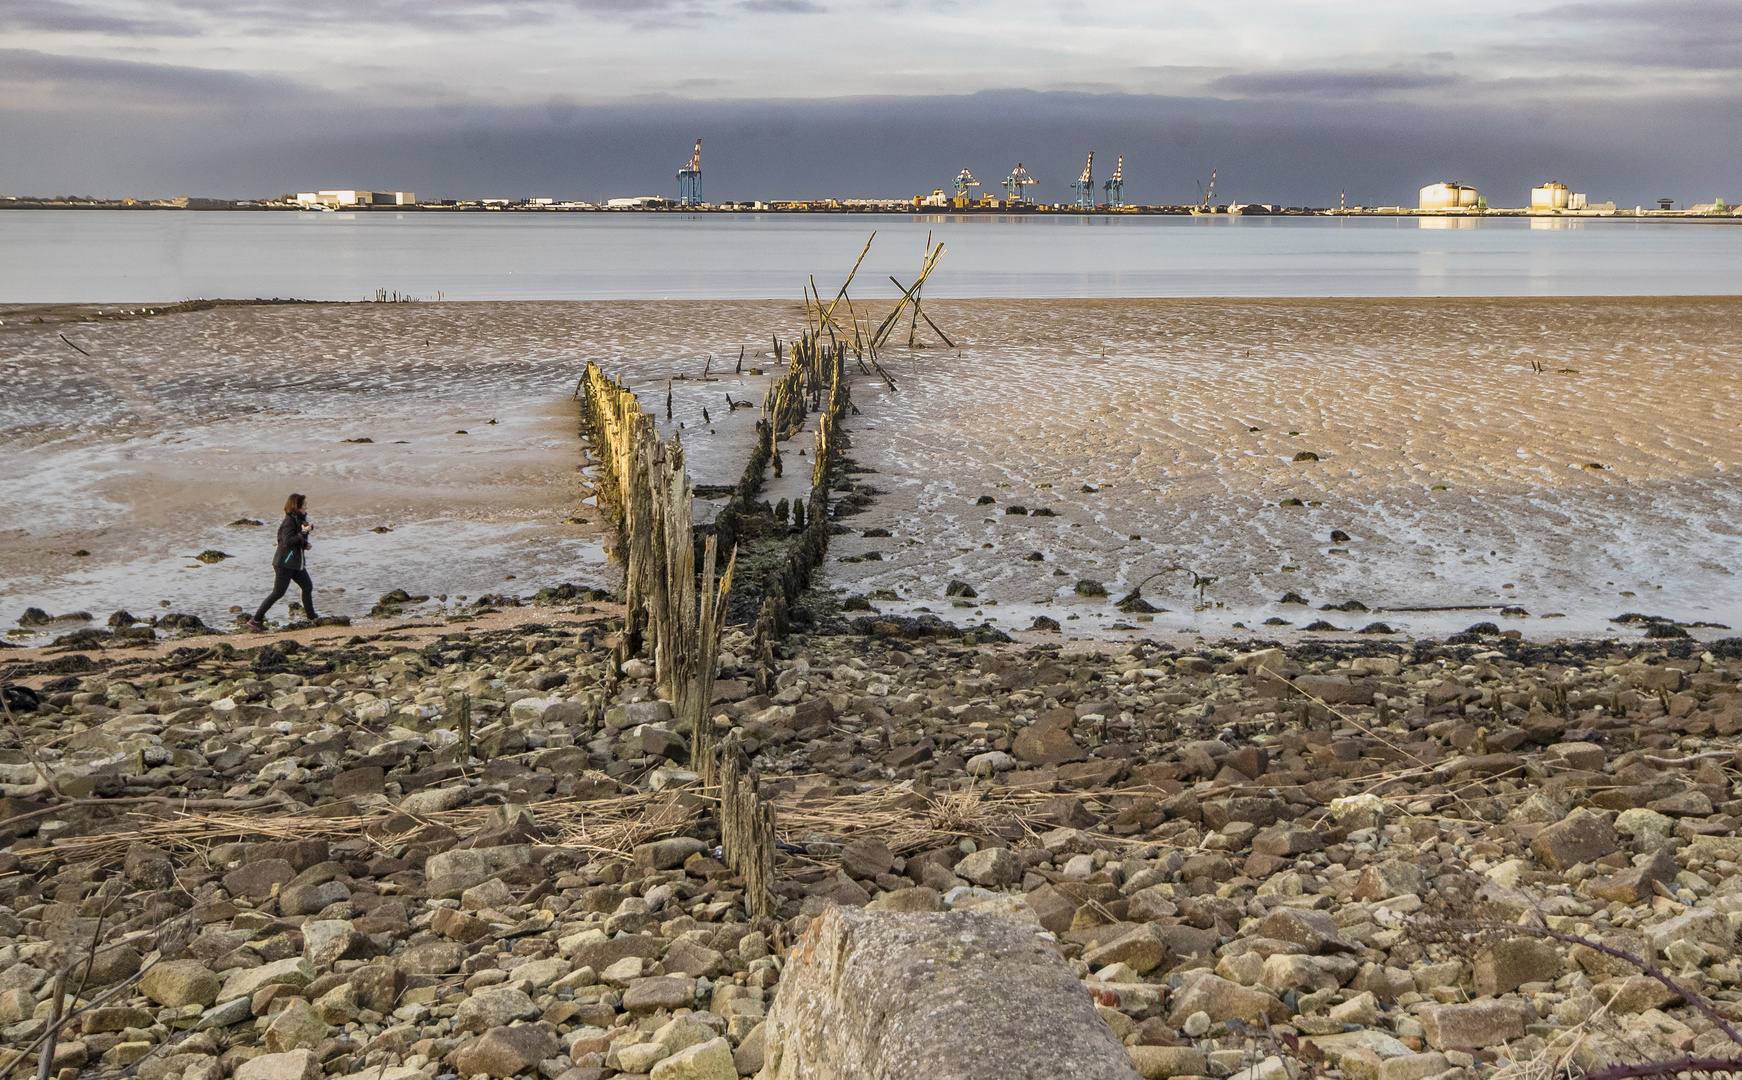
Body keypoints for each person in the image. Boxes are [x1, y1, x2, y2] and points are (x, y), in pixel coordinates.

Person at [248, 493, 318, 631]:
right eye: (303, 505)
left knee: (307, 587)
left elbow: (296, 541)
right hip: (284, 564)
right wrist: (303, 534)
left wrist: (305, 544)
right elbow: (287, 542)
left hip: (295, 564)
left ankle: (311, 618)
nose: (306, 507)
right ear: (296, 507)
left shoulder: (298, 520)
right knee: (278, 593)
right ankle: (255, 620)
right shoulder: (289, 522)